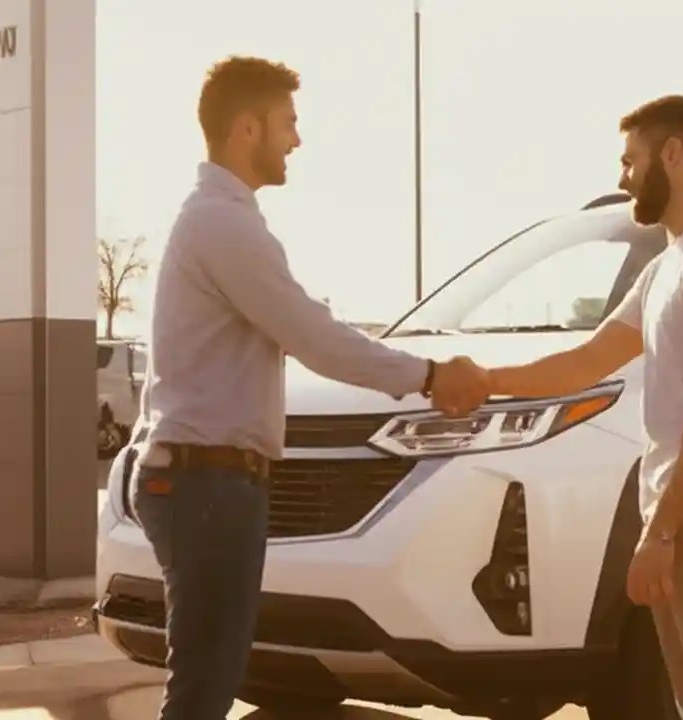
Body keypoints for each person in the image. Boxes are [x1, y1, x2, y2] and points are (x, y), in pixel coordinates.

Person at [131, 55, 490, 720]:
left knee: (205, 677)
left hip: (205, 482)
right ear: (247, 129)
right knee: (202, 687)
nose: (297, 138)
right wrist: (431, 376)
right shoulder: (222, 224)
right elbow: (314, 337)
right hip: (205, 486)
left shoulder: (217, 219)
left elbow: (302, 330)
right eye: (288, 122)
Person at [486, 95, 683, 720]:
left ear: (674, 155)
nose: (621, 178)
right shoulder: (669, 264)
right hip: (680, 515)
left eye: (630, 160)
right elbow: (583, 364)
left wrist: (663, 527)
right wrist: (478, 383)